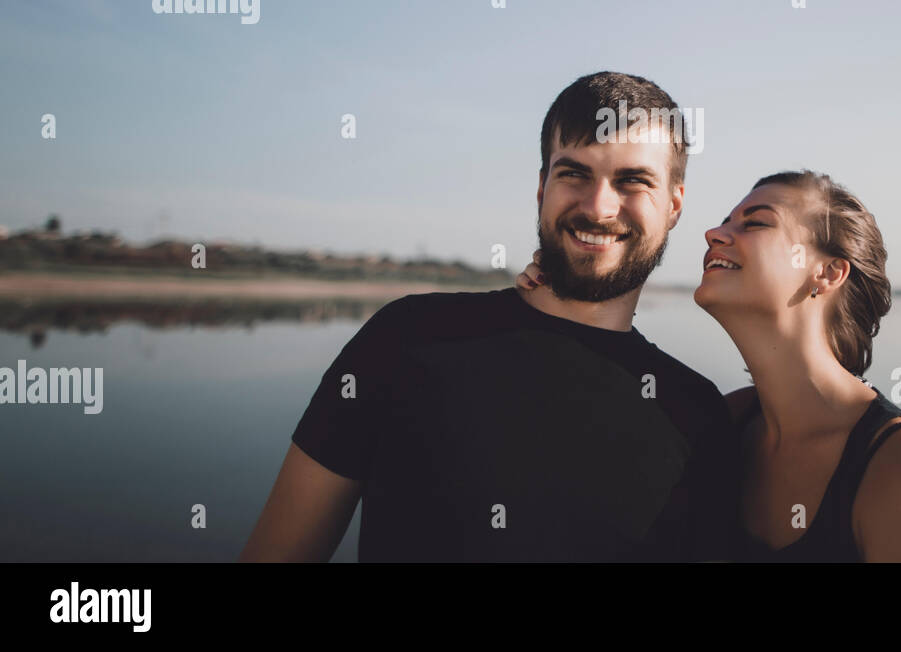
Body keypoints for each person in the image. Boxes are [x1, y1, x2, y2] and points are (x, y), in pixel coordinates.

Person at [239, 71, 740, 561]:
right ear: (542, 186)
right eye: (574, 173)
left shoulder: (695, 412)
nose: (598, 206)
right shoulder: (407, 339)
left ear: (674, 205)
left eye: (633, 180)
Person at [519, 169, 901, 561]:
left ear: (828, 273)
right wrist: (563, 310)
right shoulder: (719, 423)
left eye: (755, 223)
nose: (713, 233)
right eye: (725, 221)